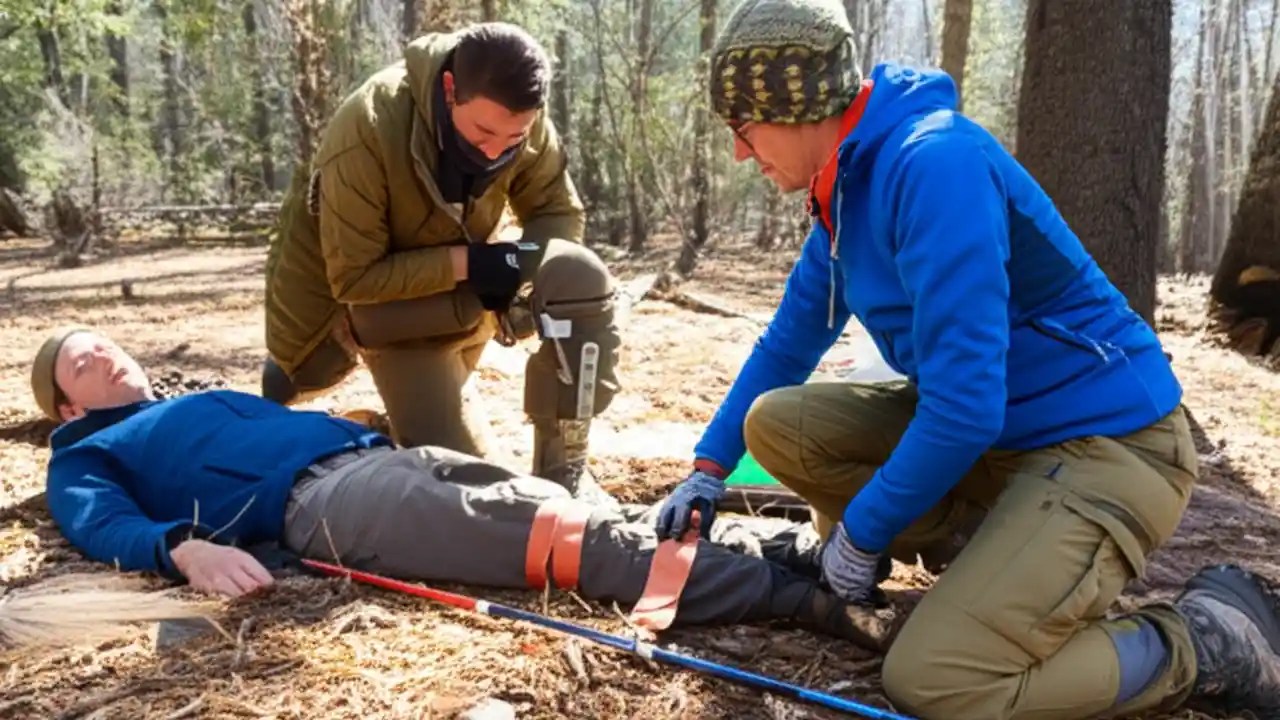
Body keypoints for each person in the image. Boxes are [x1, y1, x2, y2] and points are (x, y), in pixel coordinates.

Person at [653, 1, 1280, 719]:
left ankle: (1202, 643)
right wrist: (707, 470)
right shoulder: (846, 191)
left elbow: (964, 405)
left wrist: (861, 532)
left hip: (1109, 447)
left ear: (795, 104)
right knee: (779, 425)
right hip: (1003, 446)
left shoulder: (932, 164)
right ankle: (995, 561)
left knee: (939, 680)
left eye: (744, 127)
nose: (740, 151)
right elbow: (789, 345)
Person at [27, 327, 888, 650]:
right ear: (67, 402)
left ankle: (789, 553)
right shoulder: (82, 455)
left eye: (102, 340)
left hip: (380, 460)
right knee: (568, 542)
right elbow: (97, 521)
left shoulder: (191, 399)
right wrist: (181, 546)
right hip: (326, 508)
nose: (104, 353)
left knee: (579, 516)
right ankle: (795, 597)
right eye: (81, 359)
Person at [262, 22, 619, 500]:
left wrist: (520, 264)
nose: (496, 150)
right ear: (449, 90)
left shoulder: (519, 121)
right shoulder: (367, 127)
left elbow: (557, 212)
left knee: (578, 275)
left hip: (465, 294)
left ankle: (564, 467)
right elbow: (354, 278)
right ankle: (382, 435)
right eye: (483, 132)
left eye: (515, 137)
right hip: (371, 311)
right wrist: (468, 263)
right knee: (470, 492)